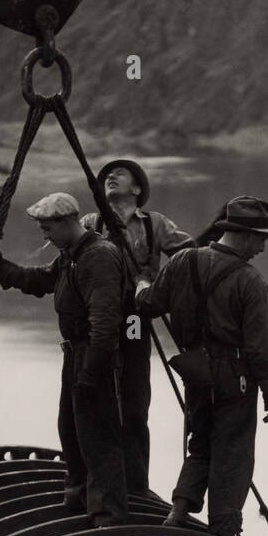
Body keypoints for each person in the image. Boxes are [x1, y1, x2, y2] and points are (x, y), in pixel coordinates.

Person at [134, 195, 268, 536]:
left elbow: (150, 304)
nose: (262, 247)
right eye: (261, 238)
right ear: (244, 235)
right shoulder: (251, 282)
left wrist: (140, 283)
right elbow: (261, 347)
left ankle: (179, 510)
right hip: (235, 379)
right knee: (233, 453)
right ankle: (224, 530)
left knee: (200, 443)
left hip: (195, 372)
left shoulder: (184, 260)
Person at [0, 192, 128, 526]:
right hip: (75, 353)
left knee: (97, 433)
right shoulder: (70, 255)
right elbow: (38, 282)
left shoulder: (99, 256)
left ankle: (108, 515)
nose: (45, 235)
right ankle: (78, 498)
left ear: (67, 222)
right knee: (71, 428)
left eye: (48, 228)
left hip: (93, 355)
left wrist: (92, 372)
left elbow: (105, 323)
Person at [81, 160, 193, 495]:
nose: (110, 177)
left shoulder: (155, 224)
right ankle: (99, 485)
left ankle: (135, 486)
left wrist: (156, 284)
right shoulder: (91, 223)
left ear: (138, 188)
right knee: (93, 402)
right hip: (97, 319)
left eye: (120, 174)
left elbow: (190, 257)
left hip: (133, 319)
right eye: (106, 177)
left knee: (133, 404)